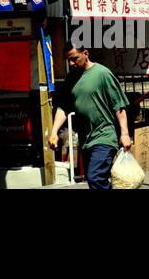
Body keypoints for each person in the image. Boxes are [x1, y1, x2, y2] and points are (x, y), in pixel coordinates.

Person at [47, 46, 133, 190]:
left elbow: (119, 106)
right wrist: (54, 131)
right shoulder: (71, 78)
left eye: (75, 58)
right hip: (86, 140)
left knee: (96, 177)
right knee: (93, 181)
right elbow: (63, 107)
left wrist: (125, 134)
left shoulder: (102, 74)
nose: (71, 64)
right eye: (68, 60)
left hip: (104, 135)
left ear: (85, 54)